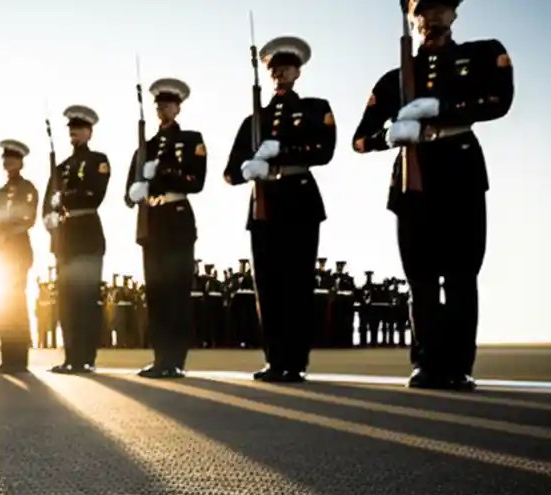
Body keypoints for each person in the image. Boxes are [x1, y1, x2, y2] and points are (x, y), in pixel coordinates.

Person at [352, 0, 514, 390]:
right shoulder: (394, 79)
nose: (432, 17)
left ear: (454, 14)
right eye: (423, 11)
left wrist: (443, 107)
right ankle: (425, 363)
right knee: (420, 278)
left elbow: (499, 102)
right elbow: (360, 139)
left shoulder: (482, 55)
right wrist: (388, 136)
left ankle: (458, 366)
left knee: (461, 274)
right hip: (413, 178)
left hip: (460, 172)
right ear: (412, 18)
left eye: (442, 8)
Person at [224, 35, 336, 382]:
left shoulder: (316, 108)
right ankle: (274, 359)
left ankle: (295, 361)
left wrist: (280, 153)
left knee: (297, 284)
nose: (280, 74)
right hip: (265, 206)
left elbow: (323, 151)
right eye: (275, 69)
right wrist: (249, 169)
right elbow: (230, 172)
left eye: (287, 68)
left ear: (297, 72)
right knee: (268, 286)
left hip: (299, 200)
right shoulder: (254, 119)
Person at [124, 77, 207, 379]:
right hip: (152, 224)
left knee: (176, 294)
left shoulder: (190, 139)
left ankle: (175, 360)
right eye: (160, 105)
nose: (164, 109)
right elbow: (128, 194)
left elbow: (196, 181)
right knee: (156, 295)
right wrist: (136, 190)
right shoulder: (143, 148)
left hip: (177, 219)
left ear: (178, 108)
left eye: (169, 104)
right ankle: (160, 358)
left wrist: (163, 172)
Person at [45, 104, 111, 374]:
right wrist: (49, 217)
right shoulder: (60, 167)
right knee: (66, 301)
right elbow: (48, 201)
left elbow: (95, 194)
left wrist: (66, 198)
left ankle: (86, 357)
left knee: (86, 299)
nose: (75, 133)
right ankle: (71, 356)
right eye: (72, 130)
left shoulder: (98, 160)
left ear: (89, 133)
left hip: (87, 234)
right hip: (65, 237)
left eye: (80, 129)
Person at [0, 140, 38, 373]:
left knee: (16, 305)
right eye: (5, 159)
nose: (8, 162)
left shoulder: (27, 188)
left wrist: (5, 233)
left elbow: (28, 219)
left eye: (12, 158)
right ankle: (7, 356)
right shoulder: (0, 192)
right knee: (3, 305)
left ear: (21, 162)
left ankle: (18, 358)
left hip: (17, 249)